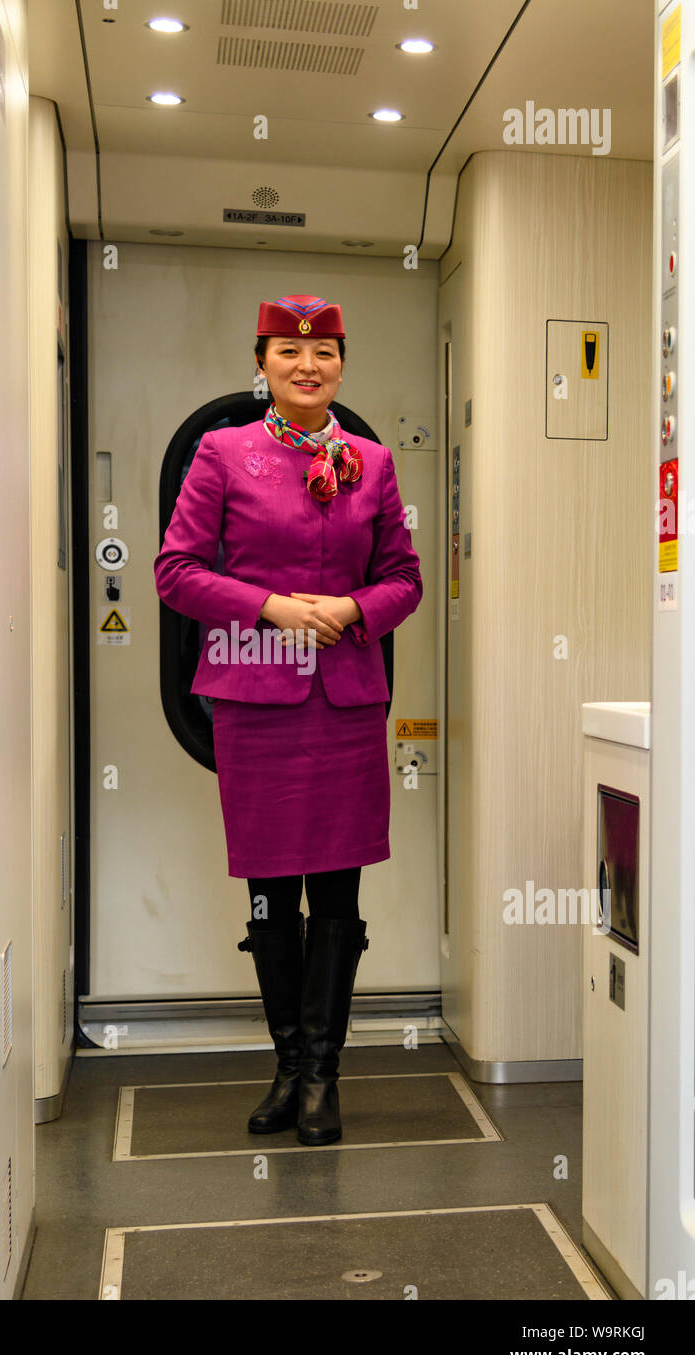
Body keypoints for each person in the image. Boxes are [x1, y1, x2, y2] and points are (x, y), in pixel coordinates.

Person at [153, 293, 423, 1145]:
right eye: (288, 353)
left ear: (341, 363)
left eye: (325, 355)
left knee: (338, 889)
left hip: (343, 699)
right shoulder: (221, 453)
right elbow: (176, 571)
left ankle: (324, 1077)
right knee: (270, 892)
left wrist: (350, 608)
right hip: (255, 696)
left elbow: (404, 580)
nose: (308, 367)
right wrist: (271, 606)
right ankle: (286, 1064)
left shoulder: (372, 464)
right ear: (261, 361)